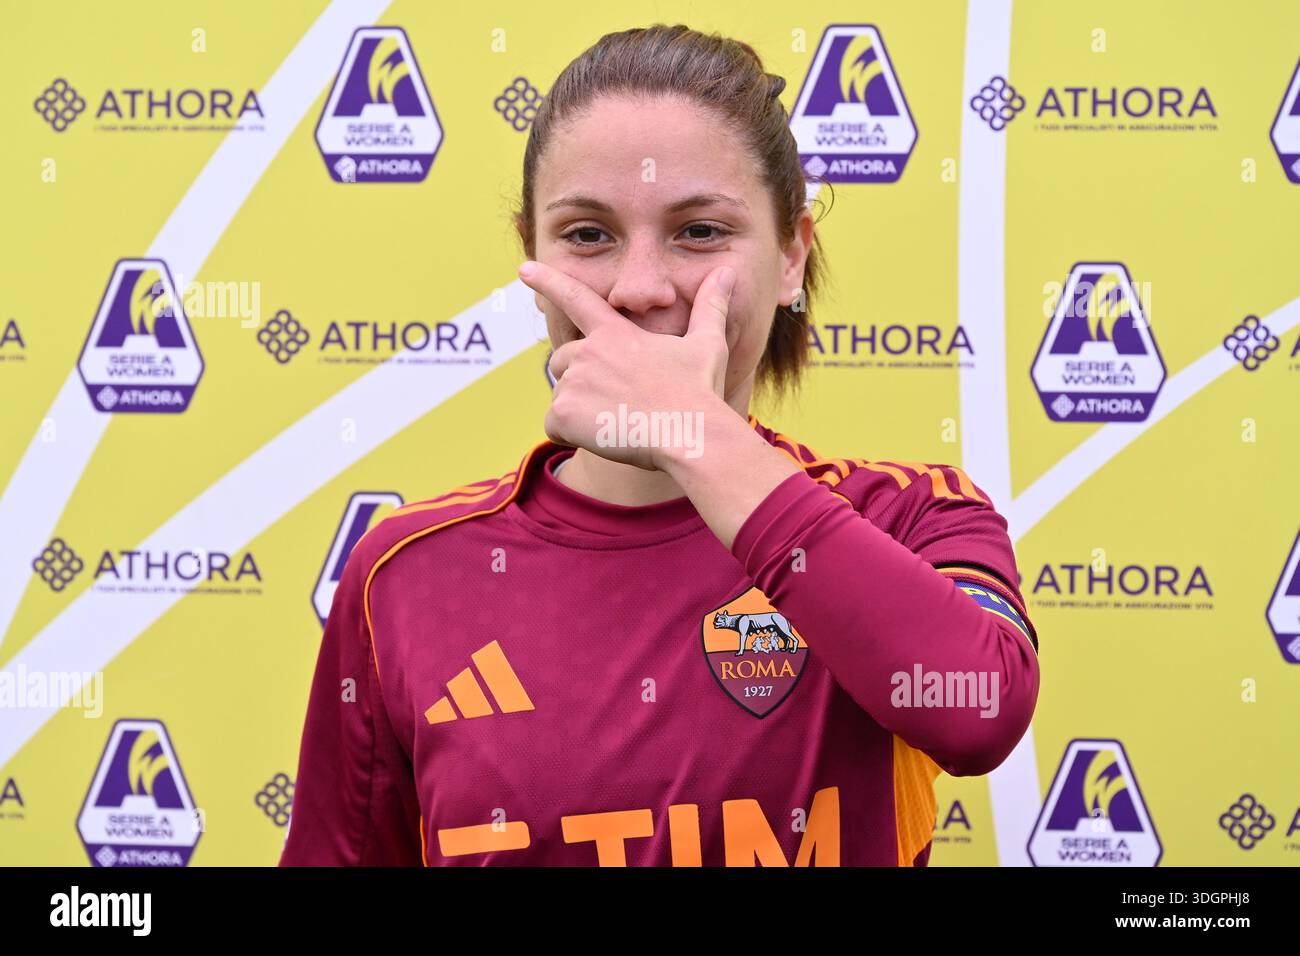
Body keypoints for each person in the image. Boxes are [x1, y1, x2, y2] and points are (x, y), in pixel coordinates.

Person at [281, 23, 1039, 867]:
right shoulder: (406, 571)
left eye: (701, 232)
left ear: (791, 256)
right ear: (530, 256)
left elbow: (978, 716)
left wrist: (692, 434)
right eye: (588, 235)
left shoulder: (907, 519)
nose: (640, 287)